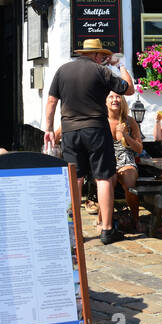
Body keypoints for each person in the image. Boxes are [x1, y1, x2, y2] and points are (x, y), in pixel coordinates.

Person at [42, 38, 135, 244]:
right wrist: (120, 65)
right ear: (95, 55)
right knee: (103, 177)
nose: (103, 59)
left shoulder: (63, 70)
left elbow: (51, 101)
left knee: (75, 179)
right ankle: (107, 230)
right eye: (101, 55)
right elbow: (128, 89)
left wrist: (48, 128)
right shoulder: (102, 72)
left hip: (70, 131)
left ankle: (73, 231)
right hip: (96, 129)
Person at [105, 92, 144, 231]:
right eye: (111, 97)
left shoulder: (129, 121)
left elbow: (139, 149)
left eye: (118, 97)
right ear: (105, 101)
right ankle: (103, 220)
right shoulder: (101, 121)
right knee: (107, 182)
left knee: (129, 185)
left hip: (126, 158)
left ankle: (135, 218)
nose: (115, 99)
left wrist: (126, 135)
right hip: (106, 159)